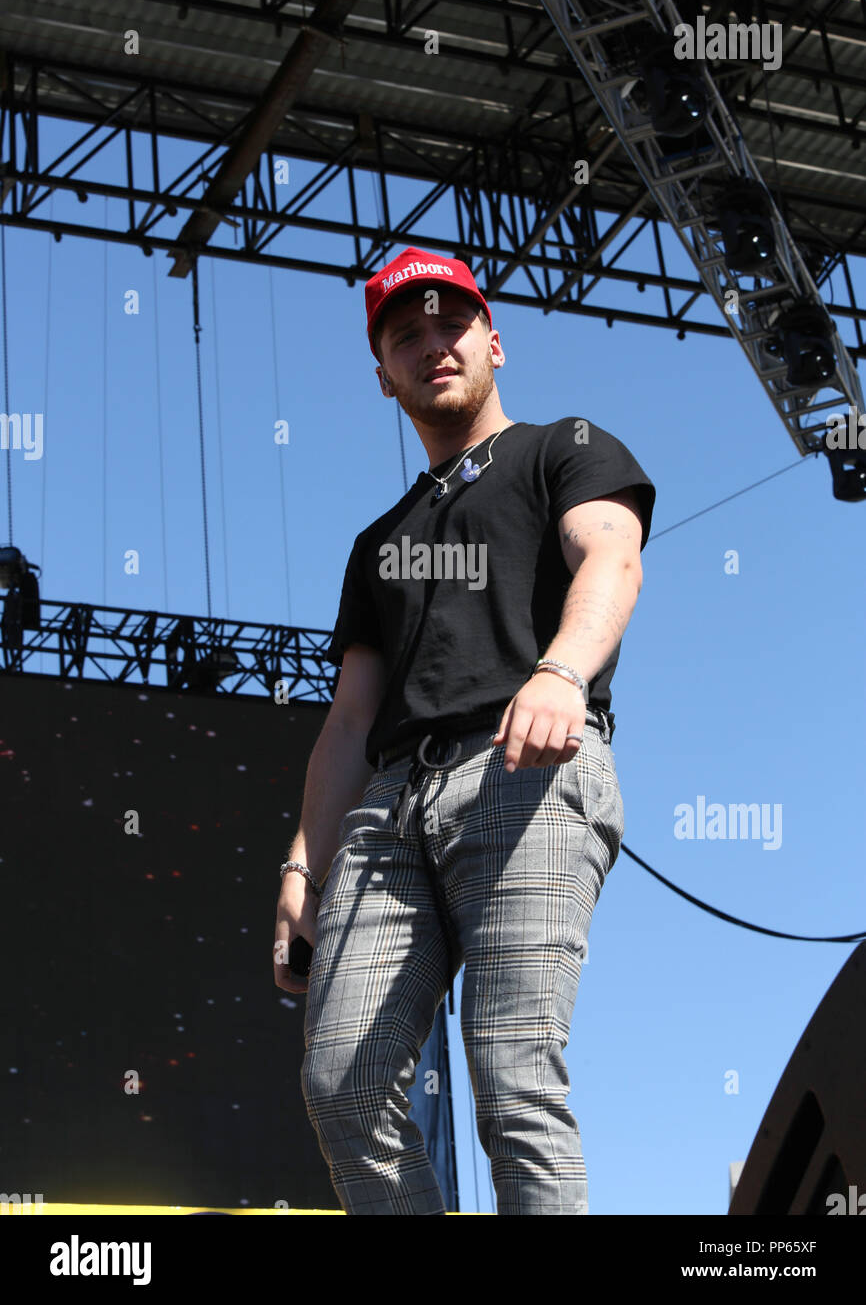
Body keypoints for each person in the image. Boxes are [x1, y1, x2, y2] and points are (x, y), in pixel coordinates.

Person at [273, 247, 656, 1215]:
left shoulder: (561, 446)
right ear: (382, 375)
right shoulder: (378, 538)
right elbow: (350, 716)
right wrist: (299, 870)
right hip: (389, 810)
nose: (432, 343)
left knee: (512, 1082)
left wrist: (560, 670)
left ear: (493, 339)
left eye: (450, 324)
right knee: (340, 1087)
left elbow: (610, 555)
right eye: (406, 334)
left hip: (524, 775)